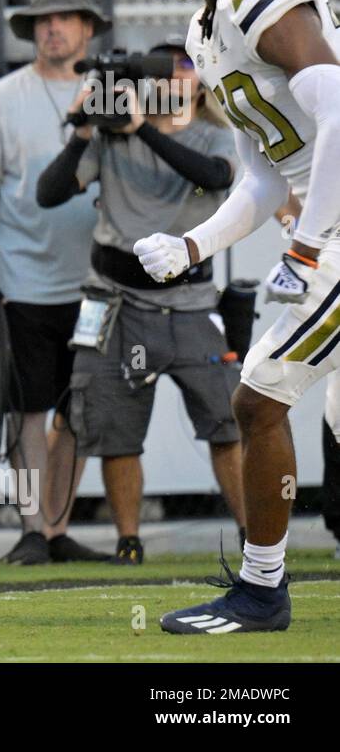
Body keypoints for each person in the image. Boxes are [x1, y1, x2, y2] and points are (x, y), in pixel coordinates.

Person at [135, 0, 340, 632]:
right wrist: (191, 245)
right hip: (326, 224)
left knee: (257, 401)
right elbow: (264, 177)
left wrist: (309, 249)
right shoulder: (208, 24)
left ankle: (262, 590)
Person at [36, 38, 244, 564]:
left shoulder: (216, 136)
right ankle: (128, 540)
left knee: (227, 420)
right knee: (115, 428)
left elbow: (214, 177)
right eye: (163, 67)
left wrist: (141, 130)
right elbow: (49, 193)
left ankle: (254, 532)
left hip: (192, 301)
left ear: (202, 80)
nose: (173, 76)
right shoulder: (111, 137)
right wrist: (82, 130)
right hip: (115, 301)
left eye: (185, 65)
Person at [0, 0, 112, 565]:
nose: (53, 27)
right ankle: (32, 529)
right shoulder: (1, 100)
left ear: (88, 27)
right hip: (22, 285)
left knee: (79, 412)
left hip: (98, 284)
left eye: (66, 17)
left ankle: (57, 525)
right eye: (43, 19)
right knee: (27, 412)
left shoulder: (112, 95)